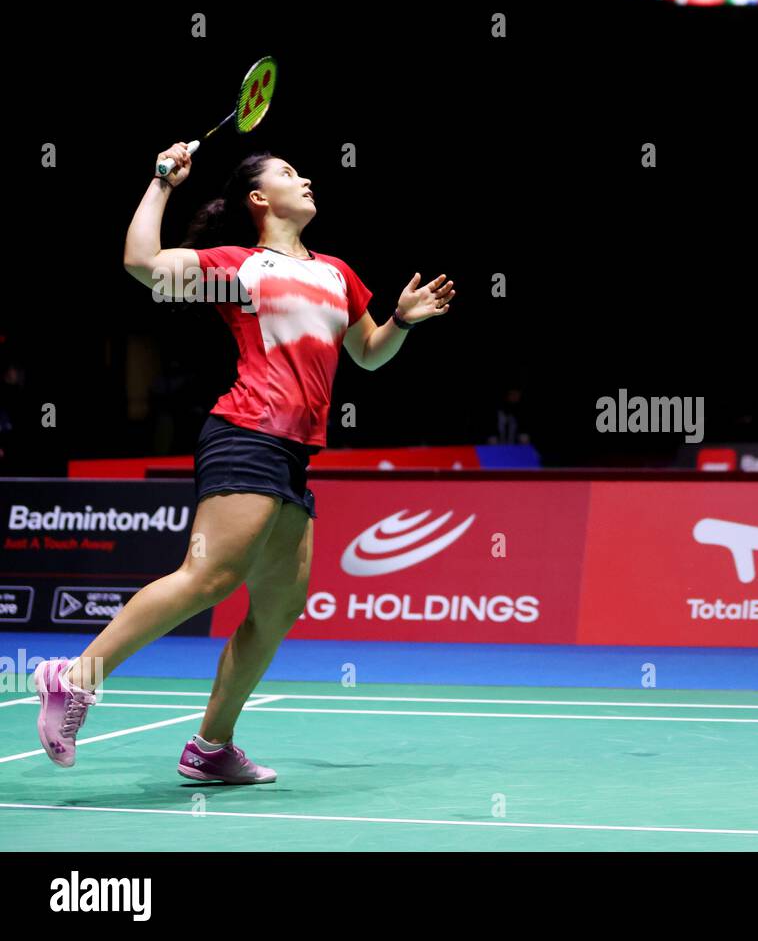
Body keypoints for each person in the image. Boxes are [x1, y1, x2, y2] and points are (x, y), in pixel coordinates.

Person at [32, 144, 455, 783]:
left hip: (293, 452)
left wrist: (399, 319)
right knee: (207, 578)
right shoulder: (240, 267)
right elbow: (141, 262)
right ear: (258, 200)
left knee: (281, 605)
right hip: (246, 432)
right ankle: (74, 677)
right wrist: (160, 182)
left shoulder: (339, 273)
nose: (305, 177)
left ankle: (210, 747)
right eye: (288, 173)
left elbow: (368, 355)